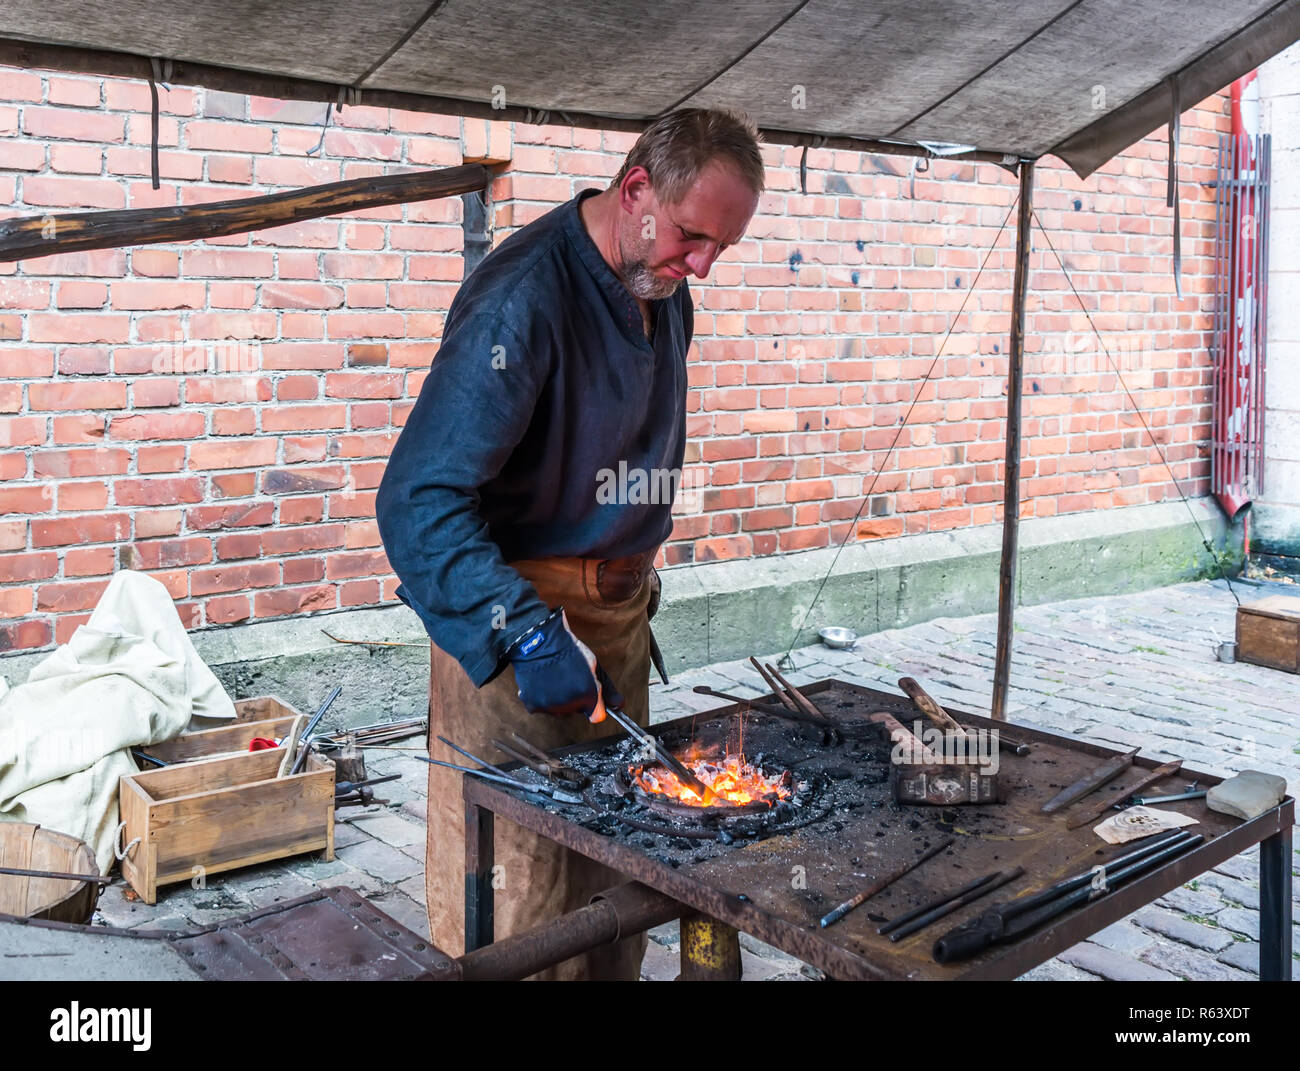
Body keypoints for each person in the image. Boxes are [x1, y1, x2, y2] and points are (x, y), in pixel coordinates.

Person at [375, 107, 763, 979]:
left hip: (617, 623)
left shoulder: (662, 281)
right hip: (522, 631)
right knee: (524, 912)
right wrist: (525, 629)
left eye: (720, 249)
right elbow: (417, 498)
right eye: (693, 237)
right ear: (636, 192)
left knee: (617, 890)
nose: (702, 265)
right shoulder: (523, 300)